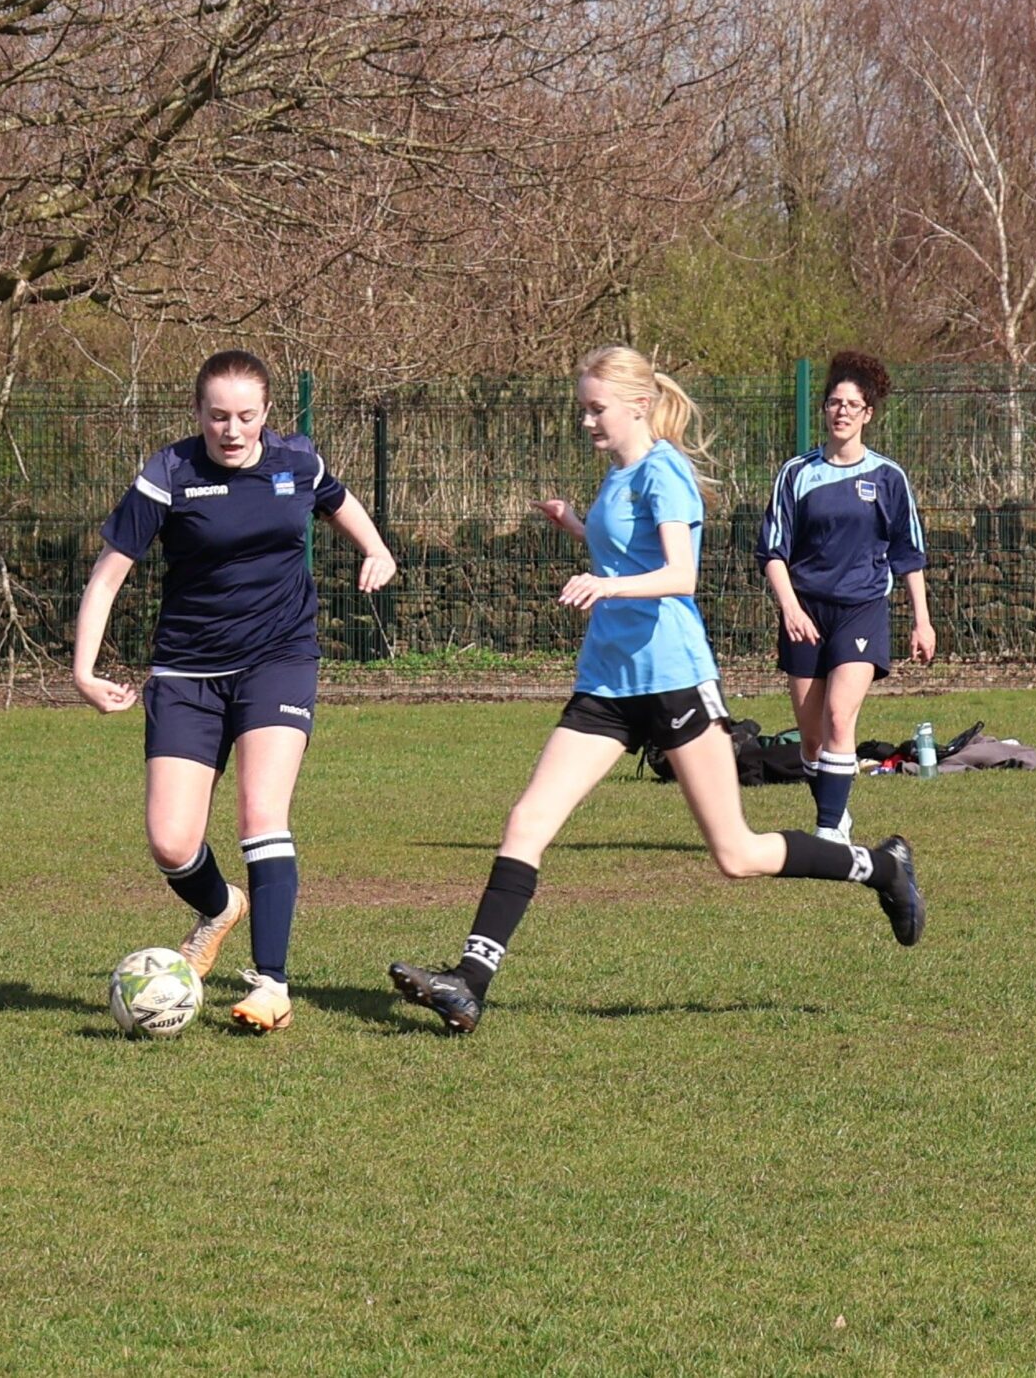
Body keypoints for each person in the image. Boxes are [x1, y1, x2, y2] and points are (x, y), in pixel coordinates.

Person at [388, 346, 922, 1035]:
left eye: (595, 408)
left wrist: (605, 584)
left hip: (672, 681)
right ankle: (470, 982)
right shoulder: (618, 477)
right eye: (583, 407)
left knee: (736, 853)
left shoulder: (663, 472)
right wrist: (579, 531)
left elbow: (678, 576)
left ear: (636, 405)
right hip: (607, 682)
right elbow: (627, 556)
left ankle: (881, 866)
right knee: (527, 821)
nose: (586, 421)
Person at [74, 350, 397, 1033]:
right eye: (218, 416)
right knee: (170, 841)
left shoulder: (295, 462)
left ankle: (271, 985)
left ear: (266, 415)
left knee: (261, 813)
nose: (232, 429)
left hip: (279, 660)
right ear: (197, 414)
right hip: (188, 673)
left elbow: (337, 500)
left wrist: (376, 548)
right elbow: (107, 577)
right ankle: (221, 905)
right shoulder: (169, 474)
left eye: (246, 416)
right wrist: (83, 669)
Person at [756, 350, 933, 843]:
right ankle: (834, 809)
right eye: (834, 403)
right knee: (811, 739)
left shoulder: (887, 478)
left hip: (861, 609)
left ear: (868, 414)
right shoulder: (796, 473)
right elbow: (772, 551)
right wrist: (789, 607)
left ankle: (829, 829)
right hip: (805, 612)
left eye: (851, 405)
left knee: (840, 716)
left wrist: (922, 621)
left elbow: (908, 553)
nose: (841, 411)